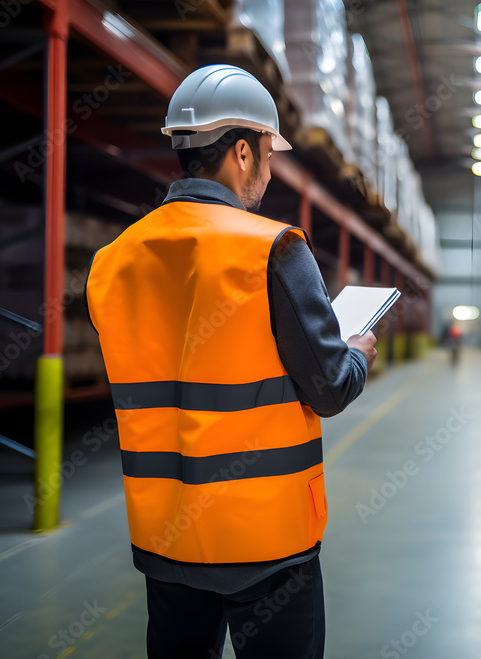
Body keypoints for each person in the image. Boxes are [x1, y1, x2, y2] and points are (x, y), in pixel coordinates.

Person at [85, 64, 376, 659]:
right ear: (242, 152)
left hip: (165, 536)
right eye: (268, 153)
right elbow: (328, 387)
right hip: (264, 539)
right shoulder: (272, 248)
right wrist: (357, 355)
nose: (269, 169)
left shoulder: (112, 261)